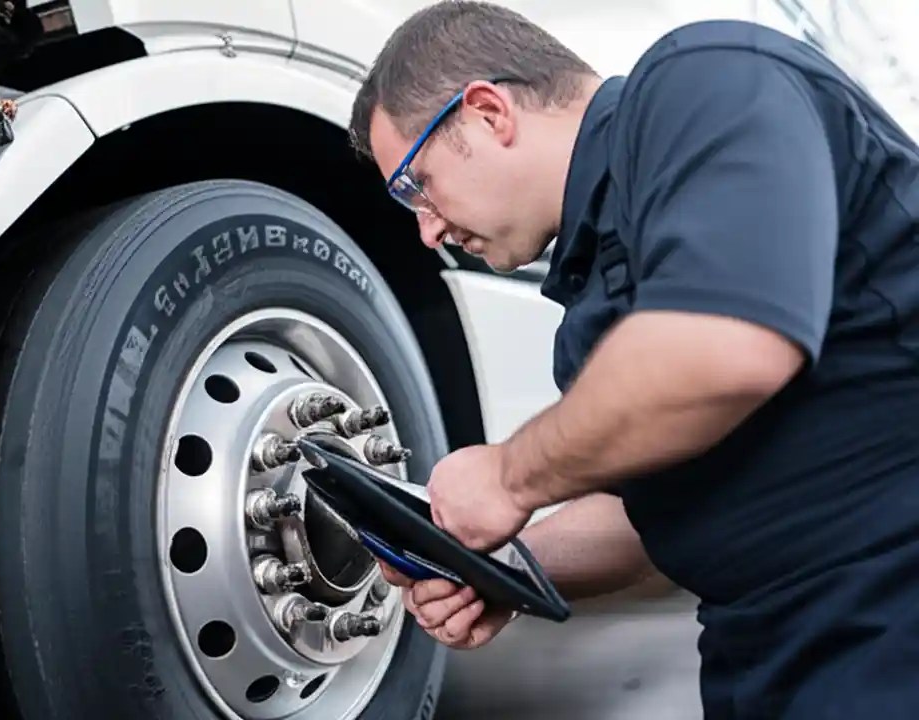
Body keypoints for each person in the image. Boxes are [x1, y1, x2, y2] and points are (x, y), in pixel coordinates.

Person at [348, 1, 919, 717]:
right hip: (767, 657)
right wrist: (504, 565)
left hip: (890, 604)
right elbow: (656, 512)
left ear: (489, 113)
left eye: (415, 186)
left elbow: (727, 349)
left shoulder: (706, 80)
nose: (426, 230)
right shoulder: (598, 309)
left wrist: (508, 477)